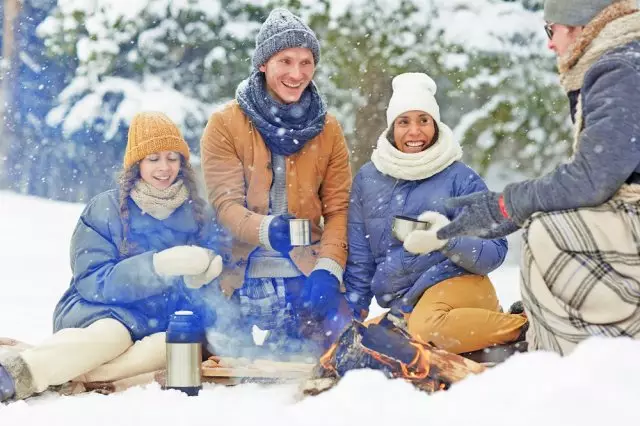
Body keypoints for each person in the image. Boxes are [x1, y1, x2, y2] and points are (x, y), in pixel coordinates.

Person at [435, 0, 640, 355]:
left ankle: (577, 353)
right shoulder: (622, 59)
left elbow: (593, 178)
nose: (549, 43)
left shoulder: (621, 69)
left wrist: (505, 205)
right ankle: (556, 333)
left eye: (552, 29)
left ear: (580, 25)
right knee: (548, 223)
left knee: (547, 230)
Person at [0, 112, 229, 402]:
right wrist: (158, 266)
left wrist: (202, 280)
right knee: (112, 337)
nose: (164, 168)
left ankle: (71, 373)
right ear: (137, 163)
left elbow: (209, 294)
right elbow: (93, 280)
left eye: (172, 158)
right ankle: (14, 375)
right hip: (101, 311)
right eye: (153, 158)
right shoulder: (104, 209)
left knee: (177, 346)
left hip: (159, 323)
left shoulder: (198, 213)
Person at [200, 8, 352, 356]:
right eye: (285, 61)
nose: (297, 74)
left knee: (331, 359)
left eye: (306, 62)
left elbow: (339, 209)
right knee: (225, 368)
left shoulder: (329, 130)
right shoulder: (225, 123)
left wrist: (328, 270)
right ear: (263, 64)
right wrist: (268, 229)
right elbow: (226, 205)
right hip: (238, 273)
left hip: (304, 271)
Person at [344, 72, 528, 355]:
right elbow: (360, 260)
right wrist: (352, 315)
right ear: (392, 127)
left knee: (425, 329)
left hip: (460, 286)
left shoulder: (459, 178)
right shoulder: (368, 180)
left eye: (423, 121)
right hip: (405, 303)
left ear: (436, 124)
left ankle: (524, 326)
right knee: (363, 344)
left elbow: (496, 249)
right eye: (404, 122)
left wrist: (447, 241)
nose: (414, 132)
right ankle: (476, 331)